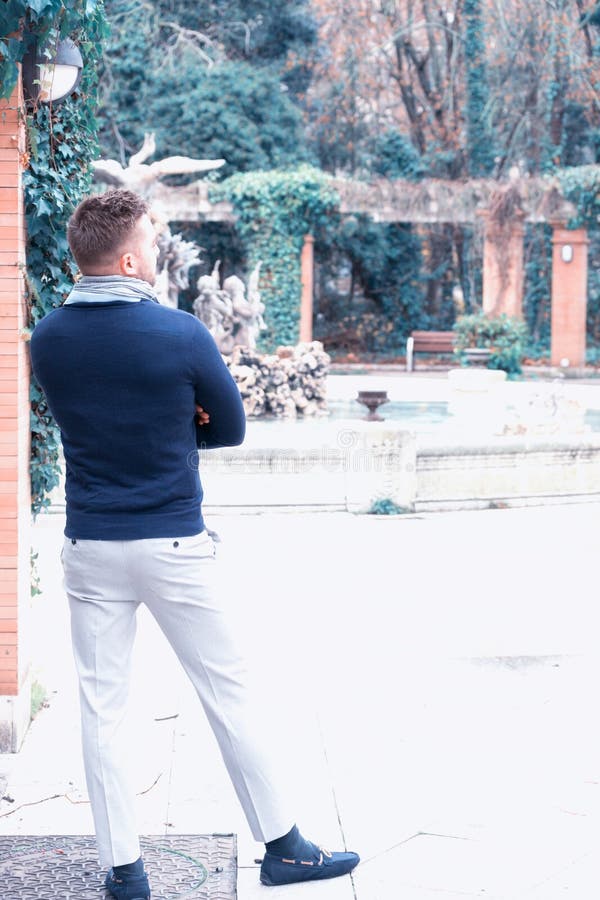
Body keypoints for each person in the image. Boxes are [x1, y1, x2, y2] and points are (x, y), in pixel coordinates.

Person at [29, 189, 359, 900]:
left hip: (90, 544)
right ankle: (285, 849)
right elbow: (231, 428)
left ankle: (125, 872)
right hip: (175, 542)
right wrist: (184, 424)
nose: (156, 252)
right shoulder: (181, 335)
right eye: (149, 242)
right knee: (231, 692)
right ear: (126, 257)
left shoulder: (46, 339)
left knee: (103, 709)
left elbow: (91, 419)